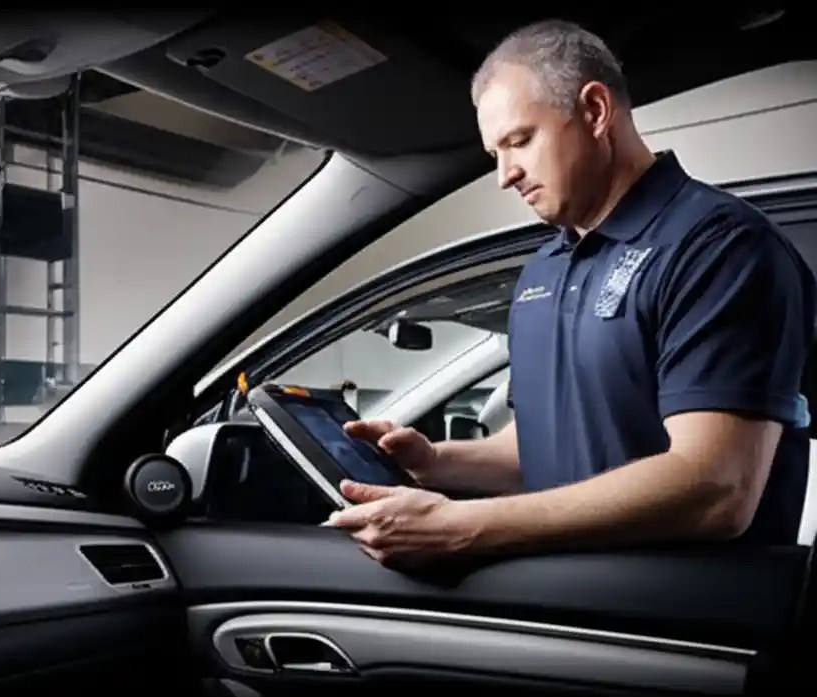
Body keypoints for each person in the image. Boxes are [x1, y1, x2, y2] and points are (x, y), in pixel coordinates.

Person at [327, 19, 817, 567]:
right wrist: (436, 461)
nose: (505, 175)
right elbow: (543, 445)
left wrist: (462, 527)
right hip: (569, 608)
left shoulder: (720, 249)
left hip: (683, 627)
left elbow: (716, 488)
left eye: (519, 141)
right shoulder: (545, 268)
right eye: (495, 154)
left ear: (595, 111)